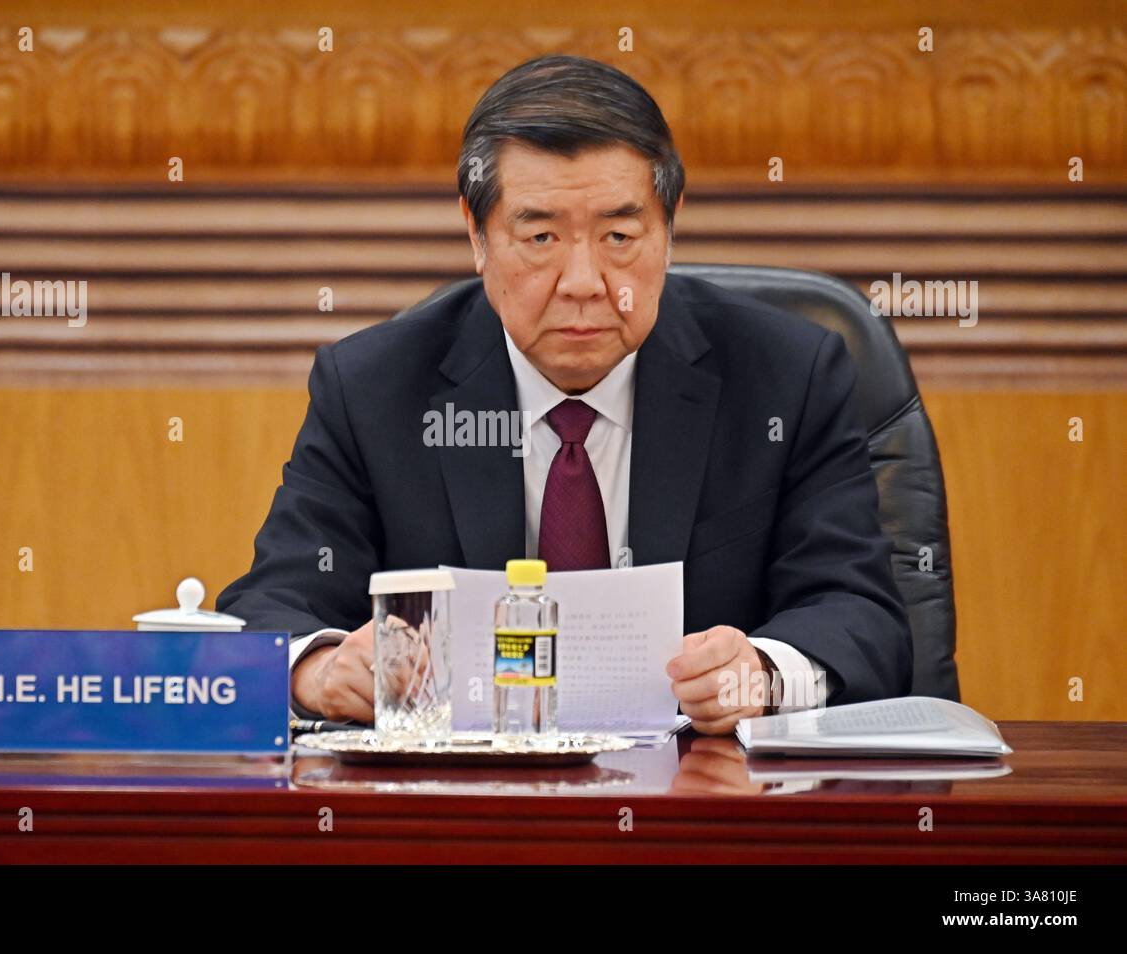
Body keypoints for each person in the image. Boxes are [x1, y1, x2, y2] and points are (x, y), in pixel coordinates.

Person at [217, 54, 912, 735]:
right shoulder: (375, 392)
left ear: (669, 227)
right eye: (542, 235)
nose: (583, 280)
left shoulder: (786, 378)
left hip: (701, 817)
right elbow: (272, 604)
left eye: (618, 235)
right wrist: (322, 670)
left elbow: (861, 616)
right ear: (477, 234)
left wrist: (758, 673)